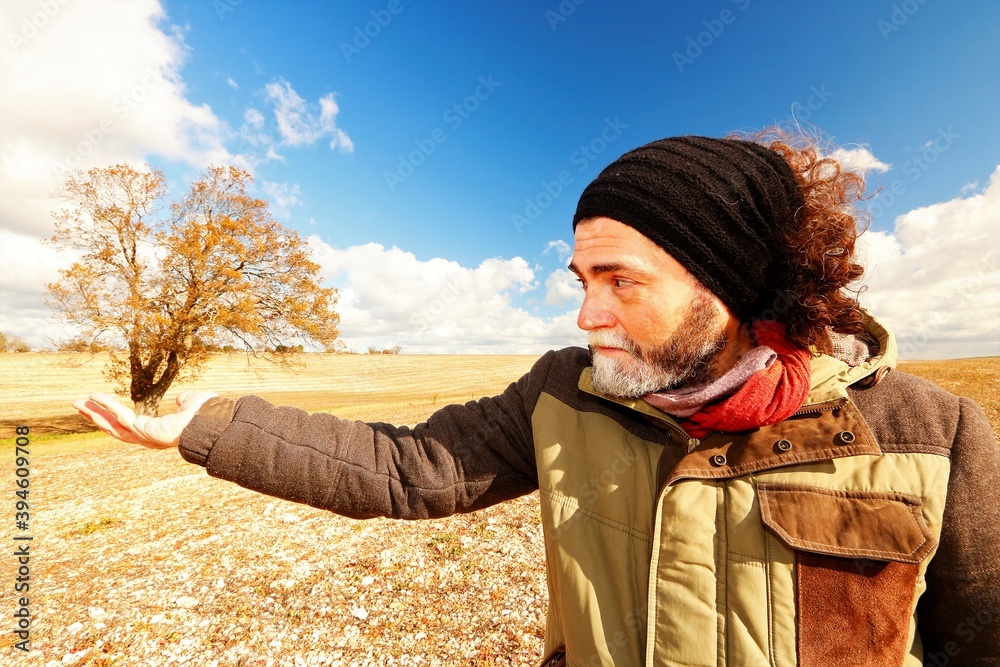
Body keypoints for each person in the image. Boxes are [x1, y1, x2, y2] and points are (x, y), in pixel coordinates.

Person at [76, 131, 1000, 666]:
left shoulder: (931, 433)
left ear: (732, 285)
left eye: (621, 280)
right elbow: (409, 468)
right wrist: (207, 425)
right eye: (581, 279)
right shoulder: (565, 394)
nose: (587, 313)